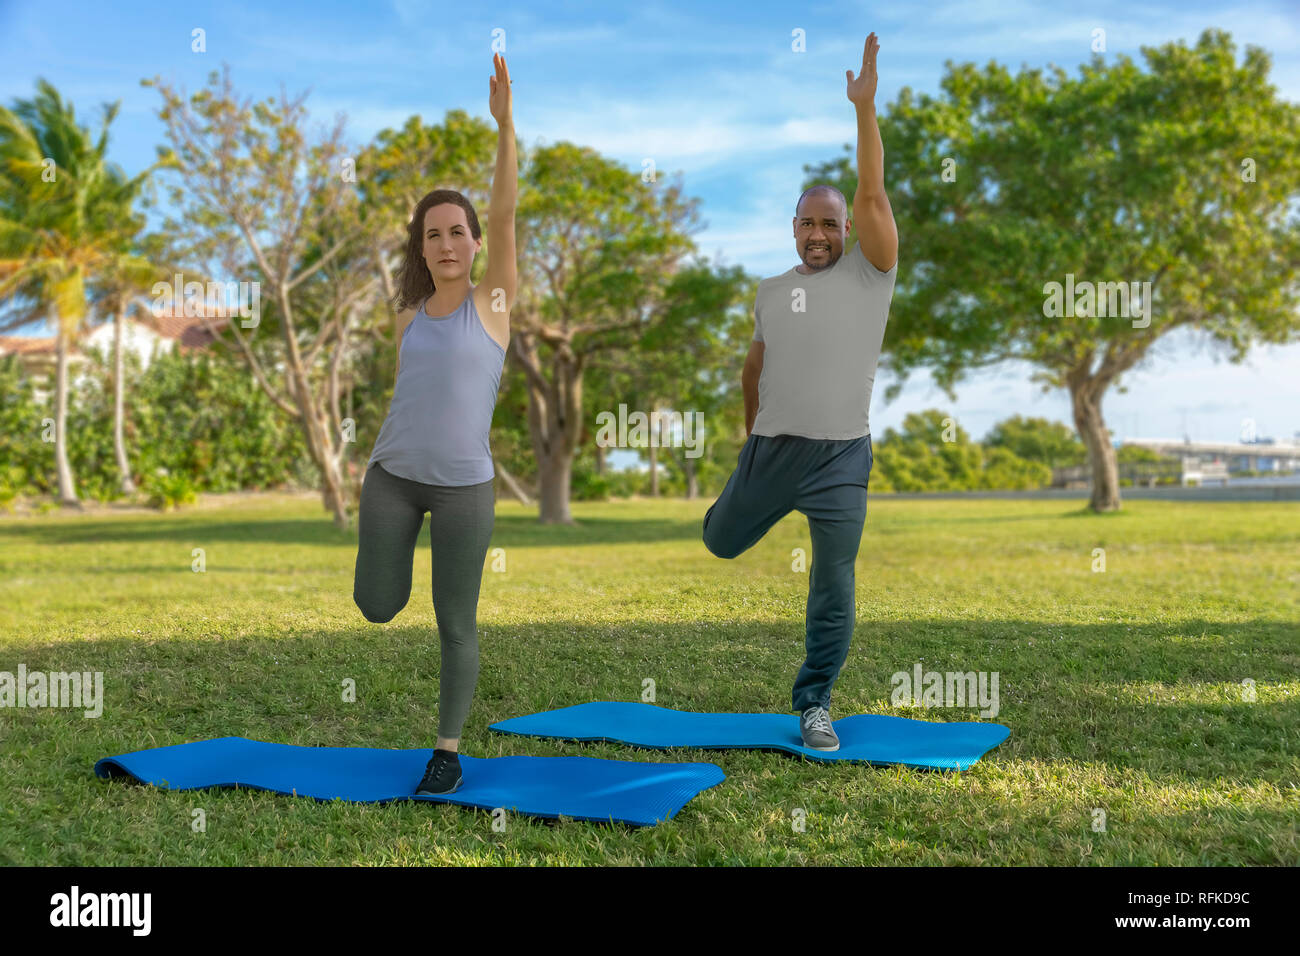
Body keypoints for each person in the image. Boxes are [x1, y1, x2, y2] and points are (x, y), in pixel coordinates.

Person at [702, 34, 898, 752]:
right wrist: (753, 435)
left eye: (830, 222)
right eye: (807, 222)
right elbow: (752, 369)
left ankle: (815, 701)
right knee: (720, 543)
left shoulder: (870, 274)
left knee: (834, 580)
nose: (819, 232)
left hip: (842, 456)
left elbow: (872, 188)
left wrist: (864, 108)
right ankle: (745, 496)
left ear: (849, 229)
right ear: (793, 229)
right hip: (771, 450)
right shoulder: (770, 291)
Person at [353, 53, 517, 794]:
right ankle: (386, 578)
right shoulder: (405, 317)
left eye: (458, 232)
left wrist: (505, 126)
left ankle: (446, 751)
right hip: (390, 479)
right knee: (378, 607)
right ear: (421, 248)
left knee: (457, 622)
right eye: (433, 235)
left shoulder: (496, 306)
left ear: (476, 242)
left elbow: (509, 208)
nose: (447, 244)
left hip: (463, 491)